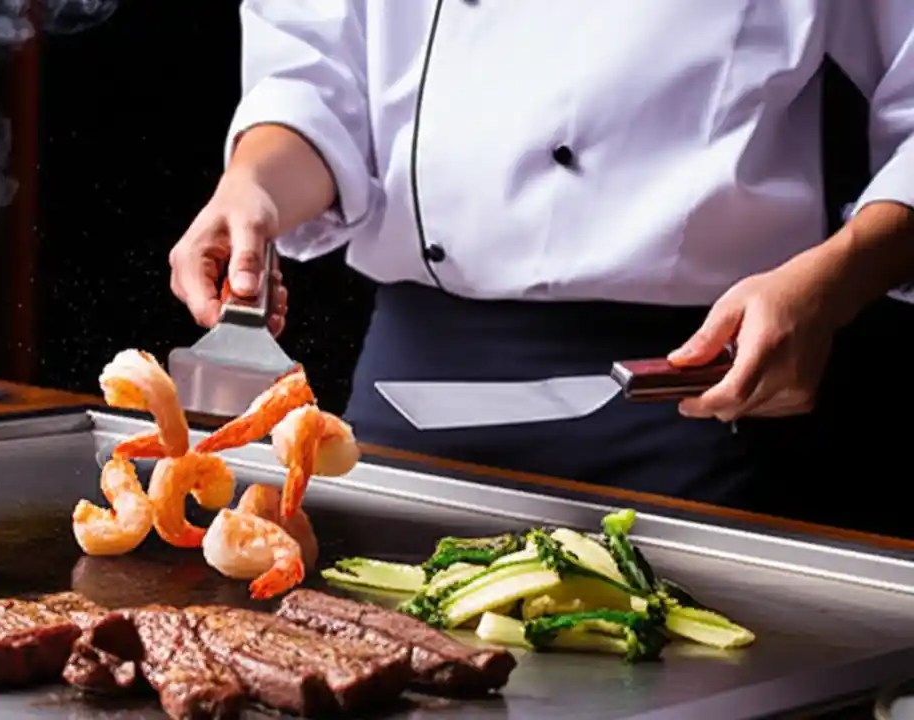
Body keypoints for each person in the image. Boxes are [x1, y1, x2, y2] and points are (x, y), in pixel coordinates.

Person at [168, 1, 914, 533]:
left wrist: (837, 280)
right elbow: (314, 75)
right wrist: (254, 186)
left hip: (701, 397)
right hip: (411, 398)